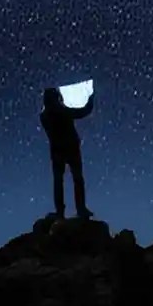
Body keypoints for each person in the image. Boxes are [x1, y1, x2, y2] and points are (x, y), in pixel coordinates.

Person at [39, 86, 94, 219]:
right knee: (77, 179)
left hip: (56, 151)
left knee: (59, 182)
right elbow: (82, 112)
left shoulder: (44, 115)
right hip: (71, 148)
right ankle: (81, 209)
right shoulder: (60, 110)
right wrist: (90, 100)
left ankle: (60, 212)